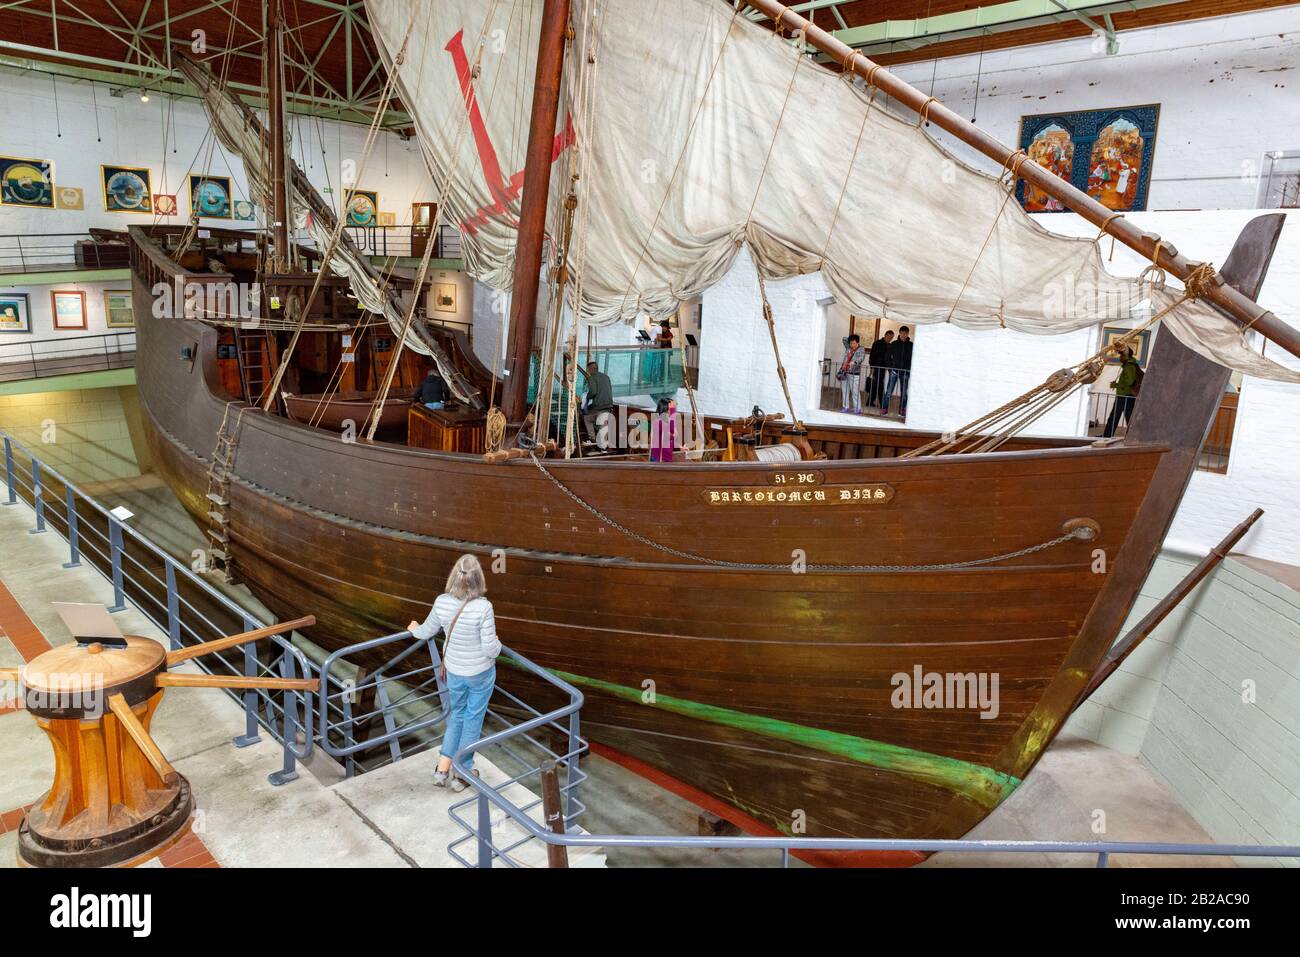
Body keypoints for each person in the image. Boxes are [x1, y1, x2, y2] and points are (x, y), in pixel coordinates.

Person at [409, 554, 501, 792]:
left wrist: (414, 629)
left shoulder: (441, 602)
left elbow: (426, 632)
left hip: (454, 672)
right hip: (480, 673)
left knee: (457, 716)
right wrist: (498, 645)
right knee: (472, 720)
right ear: (478, 579)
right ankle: (463, 773)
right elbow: (491, 648)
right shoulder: (484, 607)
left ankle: (441, 770)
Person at [1103, 345, 1142, 437]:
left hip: (1124, 396)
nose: (1120, 357)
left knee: (1114, 417)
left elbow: (1130, 381)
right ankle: (1132, 437)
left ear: (1126, 356)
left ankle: (1107, 436)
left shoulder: (1129, 366)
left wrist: (1116, 385)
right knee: (1127, 419)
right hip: (1126, 396)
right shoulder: (1129, 365)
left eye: (1122, 356)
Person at [880, 327, 913, 416]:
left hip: (905, 372)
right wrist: (891, 369)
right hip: (894, 371)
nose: (903, 335)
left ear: (908, 334)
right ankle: (884, 409)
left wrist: (909, 369)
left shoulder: (911, 345)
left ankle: (902, 410)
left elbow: (913, 359)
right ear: (899, 333)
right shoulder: (894, 344)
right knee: (889, 392)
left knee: (904, 393)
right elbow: (887, 357)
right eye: (902, 333)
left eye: (905, 333)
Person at [582, 360, 615, 447]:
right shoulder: (607, 377)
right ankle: (603, 447)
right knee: (603, 425)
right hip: (608, 407)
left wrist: (587, 397)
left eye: (587, 369)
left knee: (587, 418)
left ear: (590, 369)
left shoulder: (591, 377)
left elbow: (593, 392)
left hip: (598, 407)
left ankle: (592, 438)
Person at [835, 334, 867, 414]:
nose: (852, 345)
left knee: (855, 391)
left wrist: (855, 362)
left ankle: (857, 408)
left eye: (854, 343)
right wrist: (850, 339)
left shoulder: (861, 349)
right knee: (845, 391)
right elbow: (844, 339)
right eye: (851, 343)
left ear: (858, 342)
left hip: (854, 373)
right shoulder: (848, 348)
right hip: (845, 372)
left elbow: (861, 358)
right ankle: (846, 407)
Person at [867, 330, 894, 410]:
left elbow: (889, 357)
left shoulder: (889, 345)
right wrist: (872, 367)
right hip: (876, 367)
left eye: (891, 338)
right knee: (880, 385)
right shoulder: (877, 343)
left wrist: (889, 366)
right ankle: (883, 404)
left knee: (876, 385)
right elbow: (872, 356)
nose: (890, 339)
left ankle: (870, 402)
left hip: (883, 369)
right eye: (889, 337)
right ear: (885, 335)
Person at [650, 396, 677, 462]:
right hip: (659, 458)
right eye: (671, 407)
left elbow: (673, 436)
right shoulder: (658, 421)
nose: (674, 408)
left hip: (666, 458)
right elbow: (672, 434)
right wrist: (673, 411)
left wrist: (681, 447)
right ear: (666, 408)